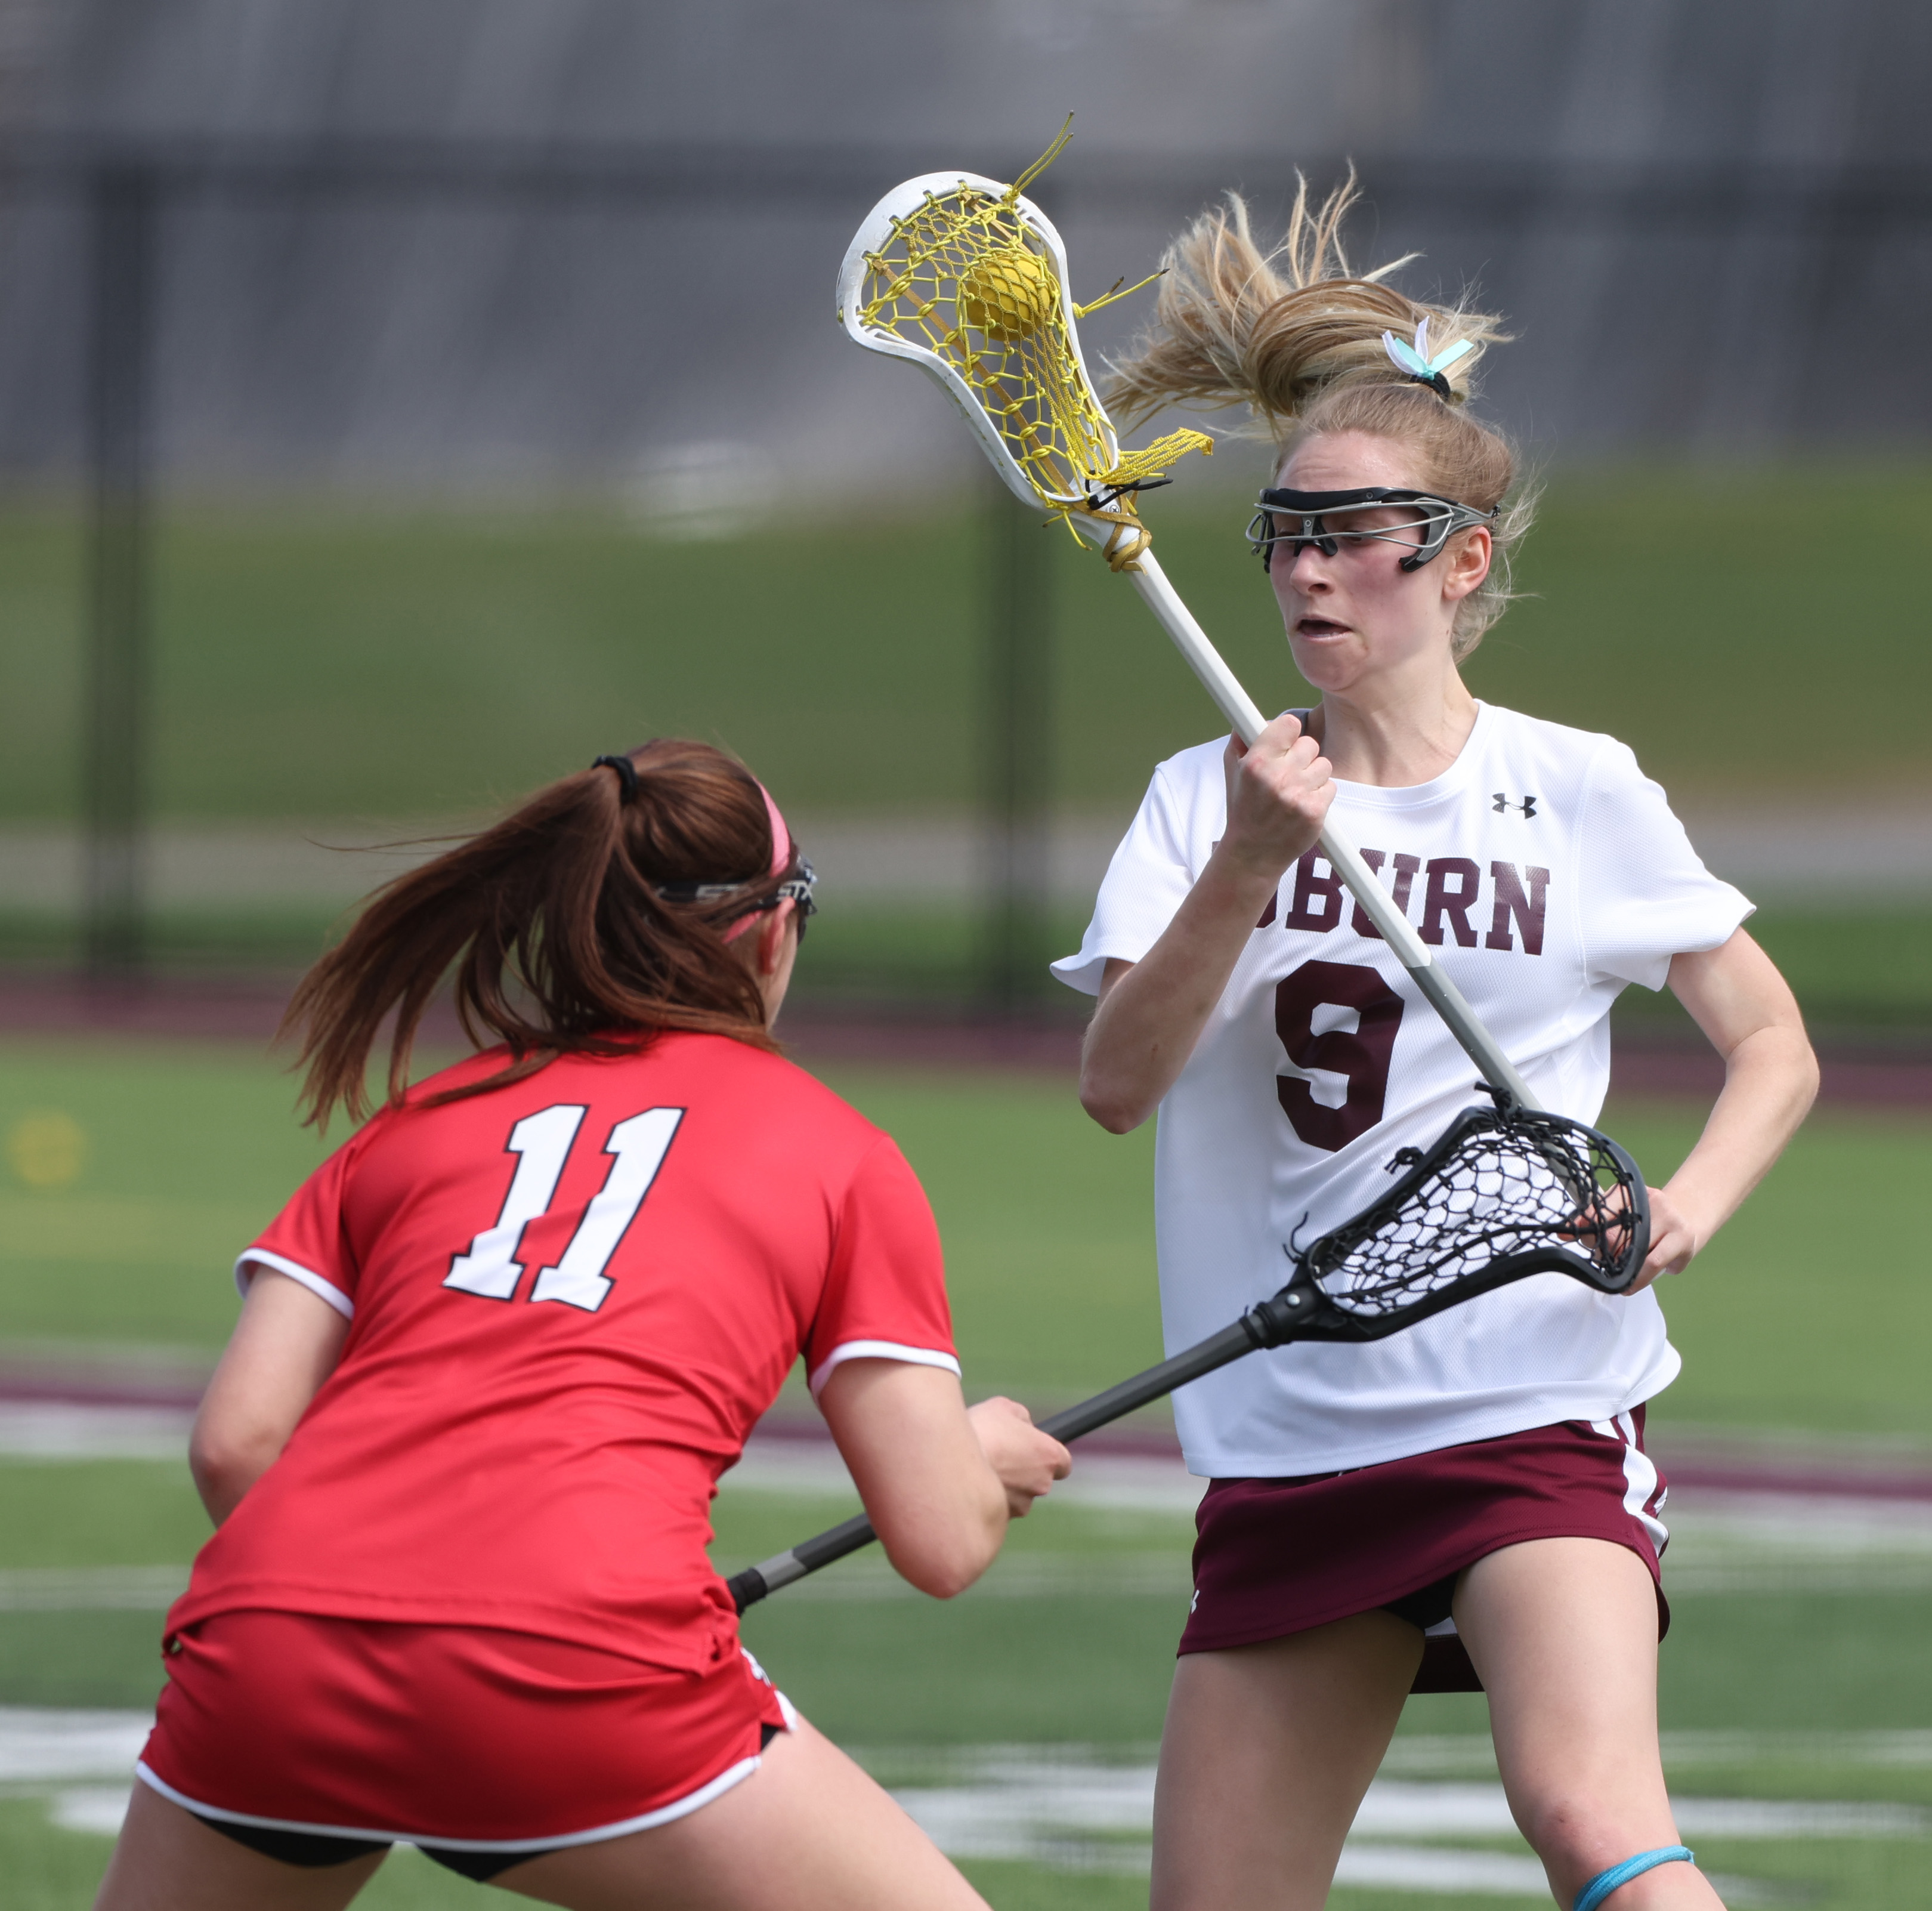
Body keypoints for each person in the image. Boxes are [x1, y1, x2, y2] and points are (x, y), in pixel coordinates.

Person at [1056, 180, 1817, 1911]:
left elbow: (1769, 1040)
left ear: (1460, 560)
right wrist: (1253, 862)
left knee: (1587, 1810)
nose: (1308, 569)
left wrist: (1683, 1206)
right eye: (1285, 534)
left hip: (1531, 1401)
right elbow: (1116, 1086)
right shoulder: (1209, 798)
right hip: (1287, 1435)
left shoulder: (1580, 787)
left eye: (1356, 533)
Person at [96, 739, 1070, 1911]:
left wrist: (389, 1616)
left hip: (267, 1656)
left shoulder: (414, 1120)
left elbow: (237, 1443)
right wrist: (983, 1457)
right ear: (771, 928)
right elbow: (944, 1541)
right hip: (586, 1670)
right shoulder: (842, 1155)